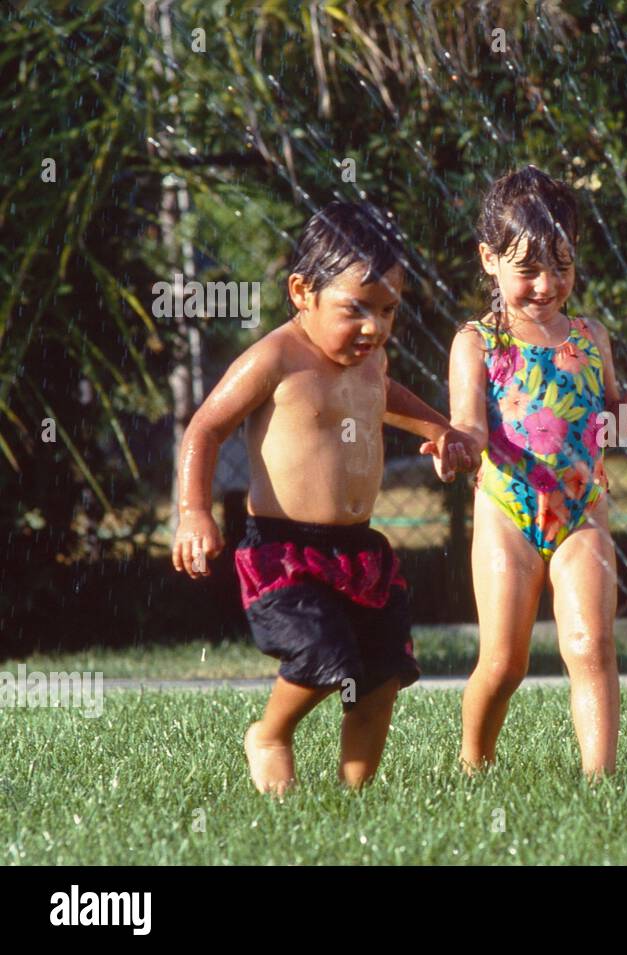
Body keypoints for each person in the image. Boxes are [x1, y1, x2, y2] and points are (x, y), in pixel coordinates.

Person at [171, 200, 478, 795]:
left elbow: (387, 394)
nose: (374, 327)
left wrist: (440, 428)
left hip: (359, 549)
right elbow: (204, 428)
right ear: (301, 292)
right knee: (323, 655)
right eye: (355, 309)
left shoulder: (370, 360)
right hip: (283, 552)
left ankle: (354, 797)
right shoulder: (276, 358)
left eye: (388, 311)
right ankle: (271, 733)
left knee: (381, 675)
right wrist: (192, 511)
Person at [443, 166, 627, 780]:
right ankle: (473, 762)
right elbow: (471, 425)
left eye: (561, 265)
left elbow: (611, 426)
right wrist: (458, 443)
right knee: (504, 663)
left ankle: (600, 780)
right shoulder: (477, 343)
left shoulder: (592, 337)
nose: (546, 284)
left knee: (592, 646)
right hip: (507, 510)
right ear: (489, 259)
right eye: (528, 268)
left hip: (583, 510)